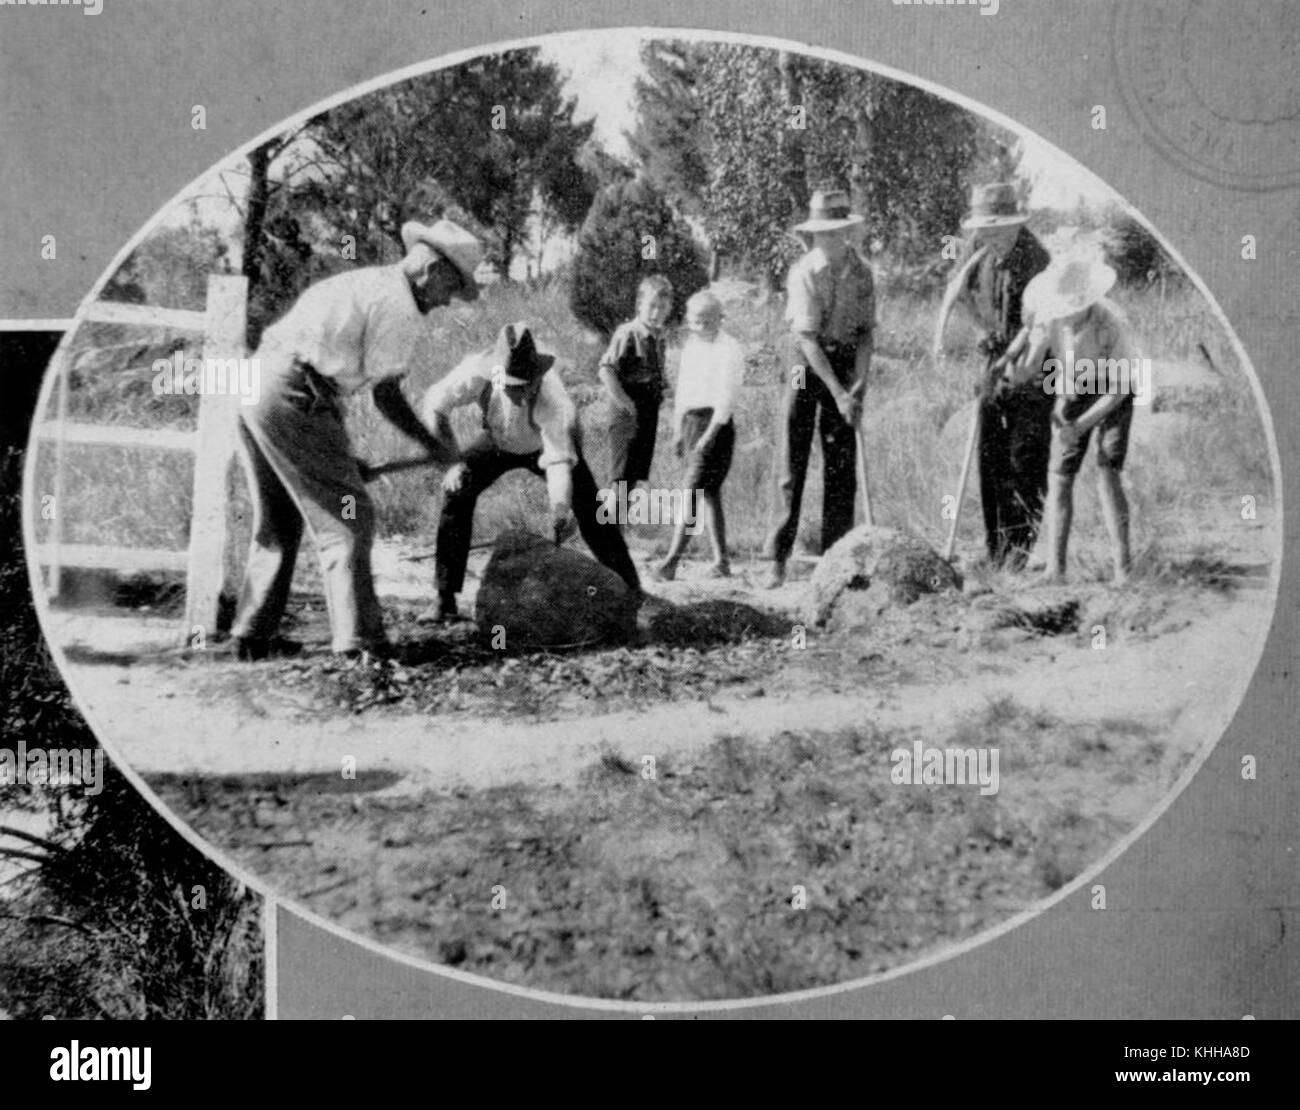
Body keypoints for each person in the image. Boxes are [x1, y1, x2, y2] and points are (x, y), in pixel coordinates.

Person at [229, 218, 482, 661]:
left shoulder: (370, 281)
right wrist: (435, 446)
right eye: (452, 287)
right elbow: (386, 394)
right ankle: (360, 645)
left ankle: (252, 634)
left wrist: (341, 456)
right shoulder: (401, 304)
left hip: (258, 382)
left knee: (278, 520)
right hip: (292, 392)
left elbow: (329, 369)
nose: (446, 301)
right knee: (349, 521)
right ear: (433, 270)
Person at [420, 322, 642, 621]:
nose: (518, 392)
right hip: (497, 440)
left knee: (591, 511)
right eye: (510, 385)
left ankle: (631, 591)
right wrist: (451, 462)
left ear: (536, 378)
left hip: (544, 444)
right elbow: (436, 406)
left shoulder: (554, 402)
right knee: (457, 492)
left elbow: (558, 463)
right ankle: (444, 599)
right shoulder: (475, 372)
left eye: (524, 384)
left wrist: (560, 509)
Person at [933, 182, 1053, 570]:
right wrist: (978, 330)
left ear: (1016, 224)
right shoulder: (975, 249)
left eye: (999, 229)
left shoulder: (1037, 258)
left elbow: (1036, 324)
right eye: (985, 229)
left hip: (1035, 363)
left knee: (1025, 459)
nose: (992, 237)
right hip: (994, 360)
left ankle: (1020, 553)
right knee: (990, 455)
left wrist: (1012, 359)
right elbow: (958, 292)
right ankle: (995, 548)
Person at [762, 187, 874, 589]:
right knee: (792, 459)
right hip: (803, 359)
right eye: (821, 233)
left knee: (841, 463)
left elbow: (864, 335)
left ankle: (836, 559)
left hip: (842, 360)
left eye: (836, 232)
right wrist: (838, 391)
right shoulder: (804, 272)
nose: (829, 240)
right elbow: (807, 340)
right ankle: (776, 557)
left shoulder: (863, 273)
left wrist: (857, 386)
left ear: (848, 233)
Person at [1000, 253, 1136, 585]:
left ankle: (1123, 570)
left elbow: (1118, 390)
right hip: (1073, 387)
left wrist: (1081, 426)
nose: (1066, 313)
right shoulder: (1050, 317)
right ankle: (1055, 570)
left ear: (1087, 299)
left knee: (1107, 472)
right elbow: (1034, 364)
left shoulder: (1112, 323)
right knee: (1059, 477)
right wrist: (1015, 373)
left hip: (1113, 391)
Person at [651, 290, 745, 581]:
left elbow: (727, 397)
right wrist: (679, 429)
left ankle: (670, 562)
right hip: (692, 422)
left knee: (690, 493)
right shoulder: (692, 346)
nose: (701, 327)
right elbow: (684, 391)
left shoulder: (730, 348)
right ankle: (722, 561)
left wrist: (710, 434)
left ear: (720, 318)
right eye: (695, 321)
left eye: (707, 321)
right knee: (709, 493)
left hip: (715, 425)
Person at [598, 274, 673, 506]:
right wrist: (624, 402)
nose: (656, 313)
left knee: (631, 482)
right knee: (619, 482)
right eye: (651, 306)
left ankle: (613, 534)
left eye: (662, 307)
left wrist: (666, 389)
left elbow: (657, 371)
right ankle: (607, 538)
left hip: (647, 414)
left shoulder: (659, 337)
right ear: (639, 304)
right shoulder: (628, 333)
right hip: (626, 414)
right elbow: (606, 370)